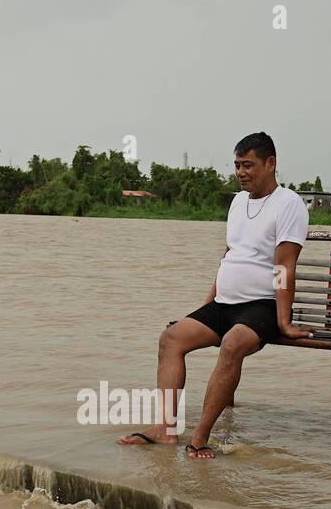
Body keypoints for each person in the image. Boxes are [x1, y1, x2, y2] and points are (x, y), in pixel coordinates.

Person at [117, 131, 311, 458]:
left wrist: (283, 320)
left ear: (271, 163)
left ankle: (200, 437)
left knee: (233, 344)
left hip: (260, 308)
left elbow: (285, 265)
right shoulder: (237, 202)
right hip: (224, 304)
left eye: (248, 165)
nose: (241, 172)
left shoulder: (289, 204)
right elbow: (229, 256)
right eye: (237, 165)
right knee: (171, 338)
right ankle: (165, 429)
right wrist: (206, 306)